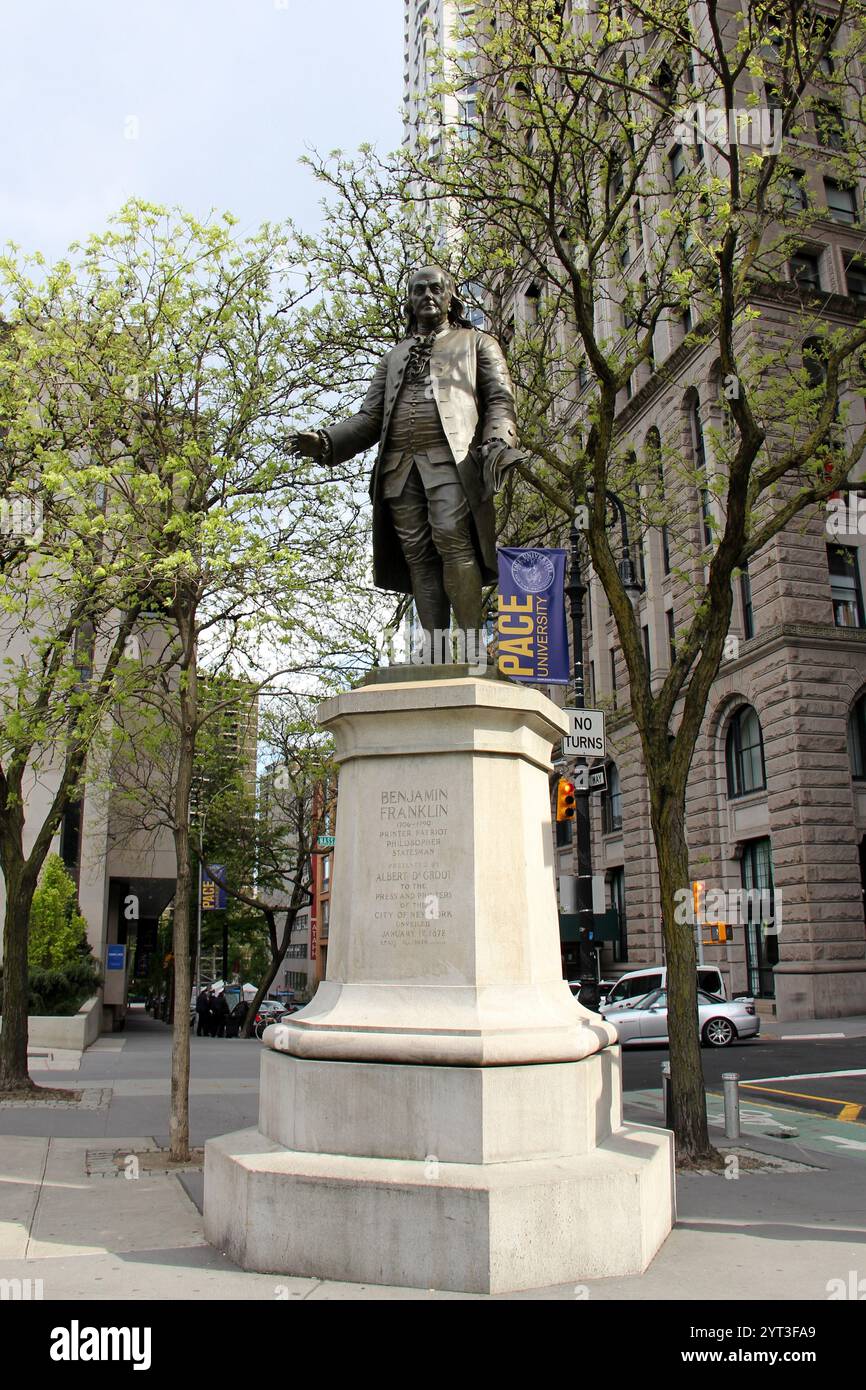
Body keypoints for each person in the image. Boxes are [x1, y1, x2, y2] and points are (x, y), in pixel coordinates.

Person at [291, 266, 523, 659]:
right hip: (400, 468)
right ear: (410, 300)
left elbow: (500, 398)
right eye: (419, 290)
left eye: (436, 289)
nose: (428, 296)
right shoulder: (394, 356)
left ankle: (470, 648)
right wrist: (327, 441)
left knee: (452, 537)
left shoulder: (477, 343)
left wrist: (498, 441)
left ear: (451, 297)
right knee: (418, 554)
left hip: (452, 460)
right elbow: (369, 419)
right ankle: (434, 652)